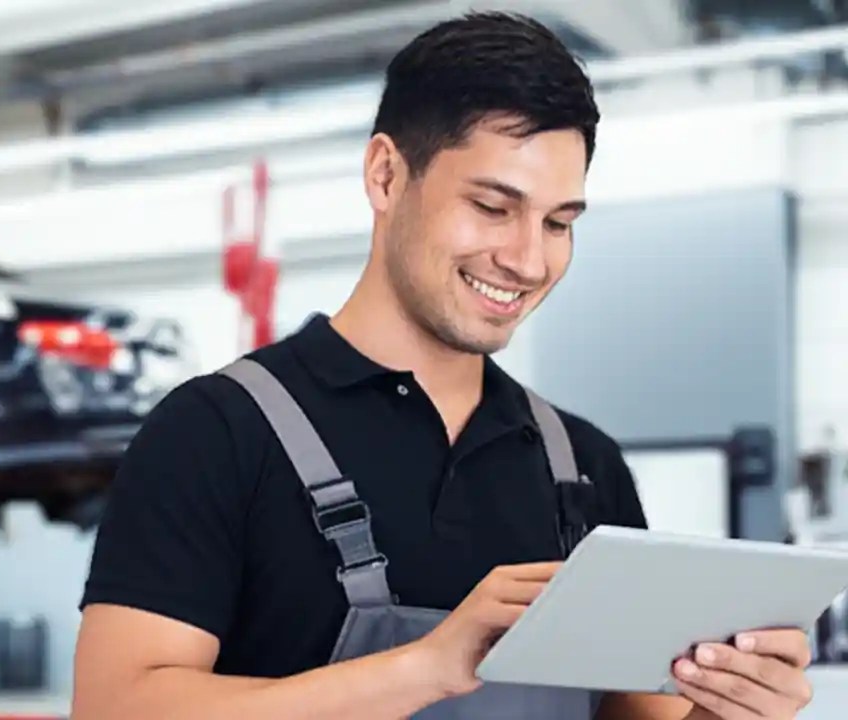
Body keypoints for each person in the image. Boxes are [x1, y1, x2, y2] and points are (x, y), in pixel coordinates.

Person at [71, 11, 814, 720]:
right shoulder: (215, 433)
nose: (528, 259)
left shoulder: (585, 469)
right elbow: (115, 709)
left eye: (558, 223)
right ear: (387, 176)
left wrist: (729, 702)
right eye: (493, 206)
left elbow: (630, 714)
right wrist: (424, 668)